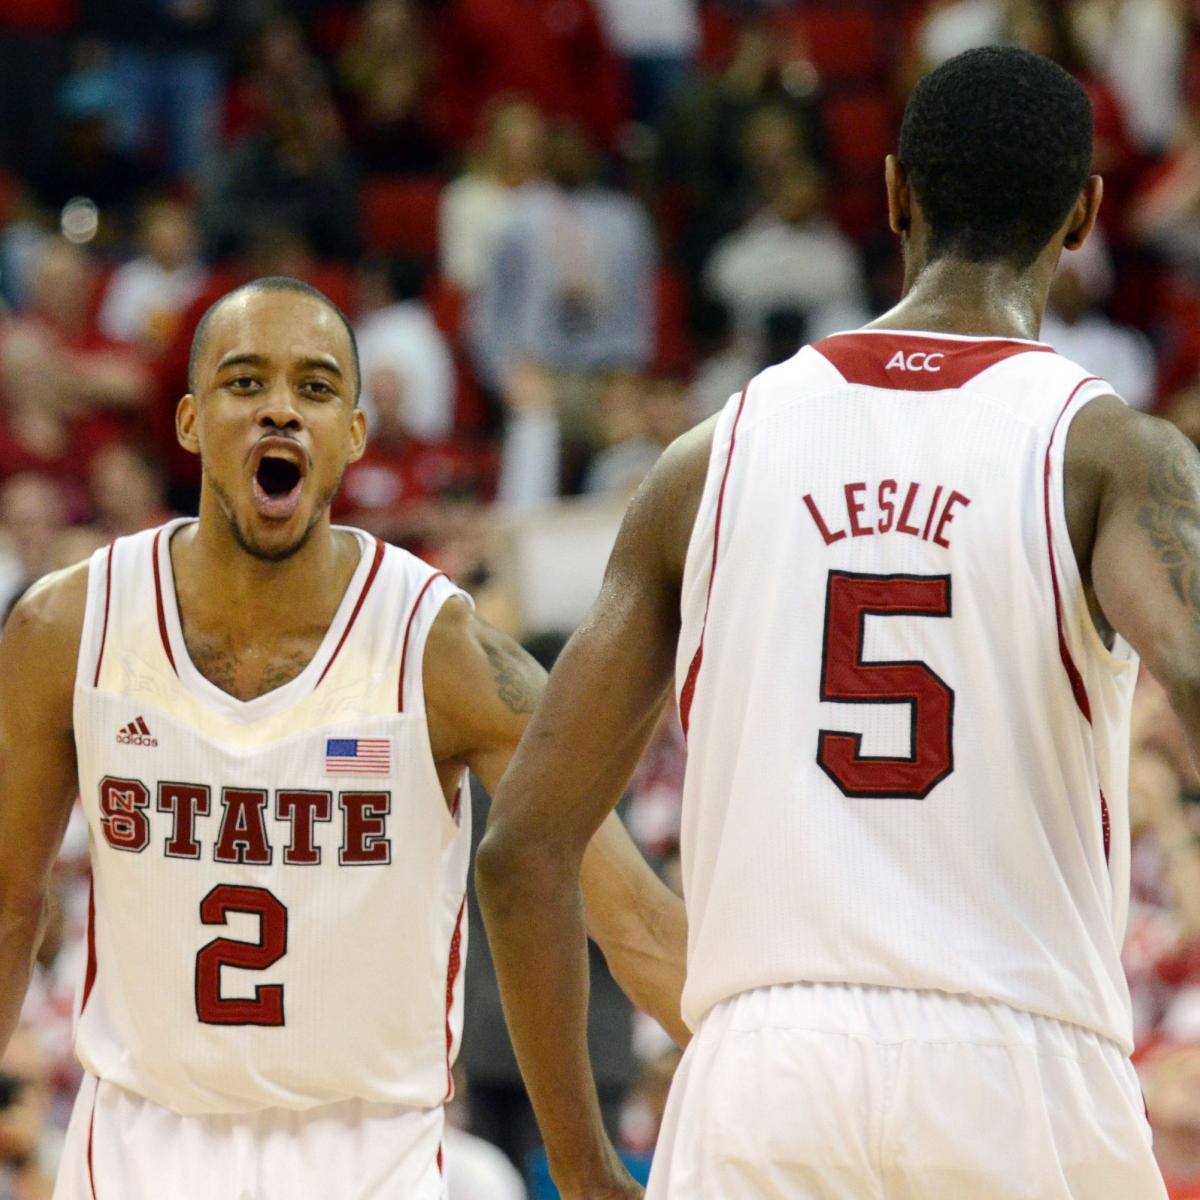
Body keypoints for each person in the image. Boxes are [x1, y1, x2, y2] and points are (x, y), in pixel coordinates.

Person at [477, 46, 1186, 1199]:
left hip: (763, 1075)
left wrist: (586, 1169)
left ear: (895, 191)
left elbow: (522, 850)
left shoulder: (708, 459)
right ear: (1086, 215)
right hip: (1021, 1068)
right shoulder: (1105, 454)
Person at [0, 276, 687, 1199]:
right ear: (191, 421)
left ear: (353, 436)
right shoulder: (67, 629)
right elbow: (8, 906)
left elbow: (635, 924)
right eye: (245, 383)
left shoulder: (436, 650)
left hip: (364, 1157)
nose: (280, 409)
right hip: (134, 1147)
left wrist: (786, 1064)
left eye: (315, 388)